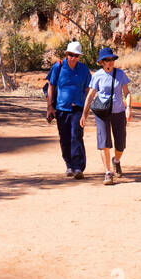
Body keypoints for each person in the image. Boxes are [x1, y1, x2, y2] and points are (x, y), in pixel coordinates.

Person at [81, 46, 131, 185]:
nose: (110, 62)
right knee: (104, 143)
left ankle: (116, 160)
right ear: (102, 62)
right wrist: (84, 114)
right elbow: (91, 95)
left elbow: (127, 92)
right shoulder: (97, 76)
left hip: (119, 112)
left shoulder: (120, 74)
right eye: (107, 60)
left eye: (112, 59)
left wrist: (129, 108)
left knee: (120, 144)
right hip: (102, 113)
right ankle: (108, 172)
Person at [46, 41, 93, 179]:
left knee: (76, 136)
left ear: (79, 56)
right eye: (71, 55)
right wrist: (49, 107)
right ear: (66, 54)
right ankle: (69, 165)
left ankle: (78, 167)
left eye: (76, 55)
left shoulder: (84, 70)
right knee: (65, 138)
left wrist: (86, 111)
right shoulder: (58, 67)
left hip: (77, 108)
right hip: (61, 109)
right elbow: (51, 86)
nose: (73, 58)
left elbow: (87, 90)